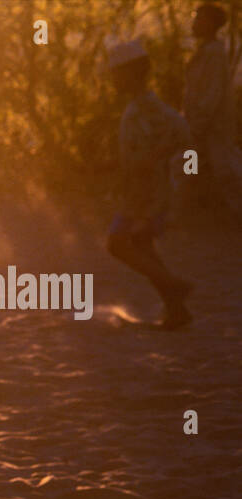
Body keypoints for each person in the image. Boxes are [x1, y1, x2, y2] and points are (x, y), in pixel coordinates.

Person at [106, 40, 195, 329]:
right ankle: (176, 310)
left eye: (116, 73)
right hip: (153, 189)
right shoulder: (154, 108)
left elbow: (140, 159)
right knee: (143, 246)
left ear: (131, 74)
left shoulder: (141, 112)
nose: (113, 79)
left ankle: (173, 285)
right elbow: (184, 136)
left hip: (143, 193)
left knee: (118, 243)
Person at [184, 2, 242, 221]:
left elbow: (212, 93)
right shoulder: (204, 51)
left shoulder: (214, 53)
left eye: (198, 19)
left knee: (225, 169)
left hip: (212, 125)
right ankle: (194, 207)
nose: (194, 23)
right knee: (190, 164)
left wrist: (200, 122)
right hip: (198, 123)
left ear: (210, 24)